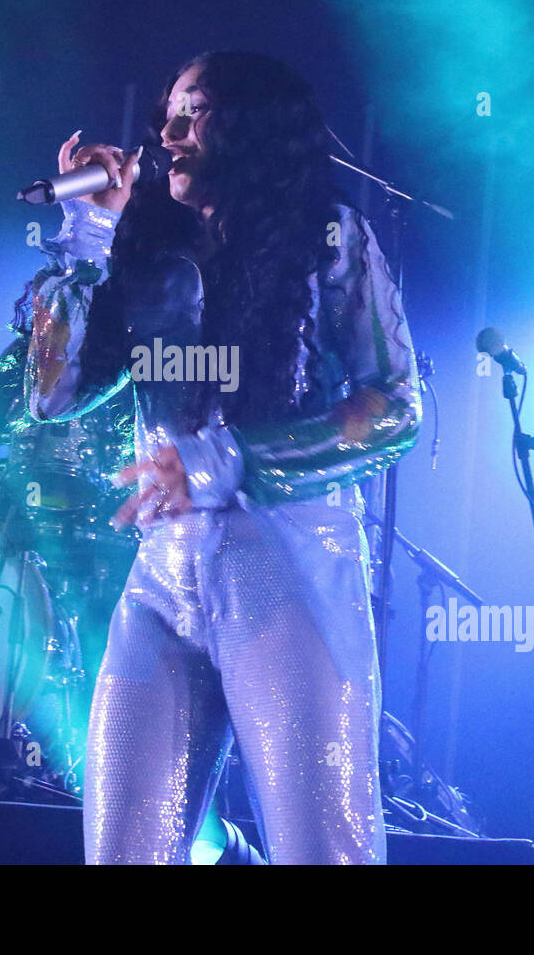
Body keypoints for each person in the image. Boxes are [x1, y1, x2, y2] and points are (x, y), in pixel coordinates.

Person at [24, 51, 421, 864]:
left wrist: (221, 459)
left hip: (285, 566)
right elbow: (50, 393)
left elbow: (397, 409)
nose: (166, 134)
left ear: (251, 128)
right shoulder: (145, 249)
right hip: (162, 579)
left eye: (192, 114)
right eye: (165, 114)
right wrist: (90, 231)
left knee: (323, 849)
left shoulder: (328, 235)